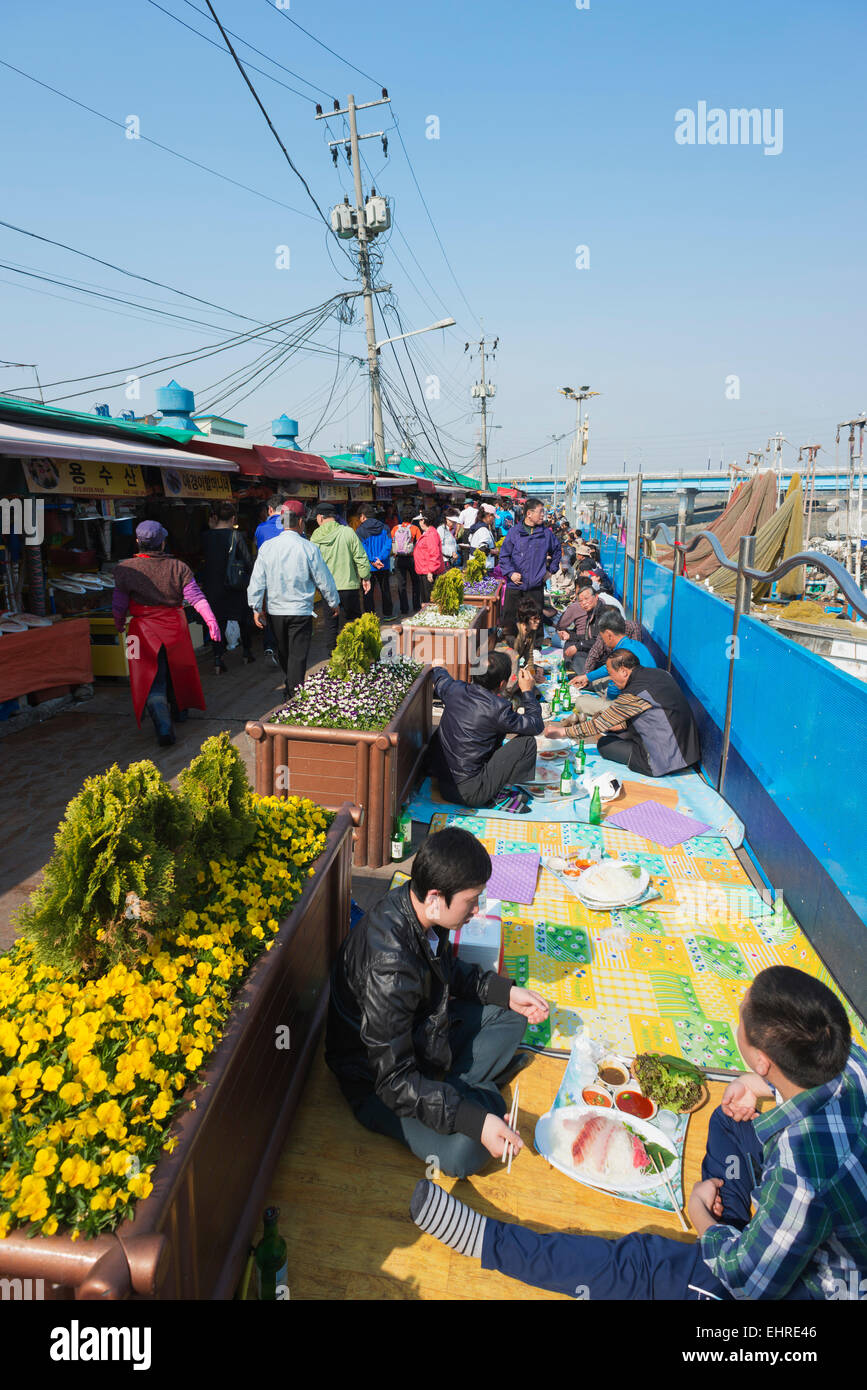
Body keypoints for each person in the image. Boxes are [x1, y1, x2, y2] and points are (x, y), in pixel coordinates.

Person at [410, 965, 867, 1302]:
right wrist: (762, 1085)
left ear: (764, 1056)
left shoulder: (802, 1173)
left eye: (743, 1014)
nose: (739, 1013)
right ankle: (739, 1229)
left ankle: (489, 1241)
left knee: (645, 1265)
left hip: (820, 1286)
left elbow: (750, 1285)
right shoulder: (850, 1061)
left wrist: (700, 1217)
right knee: (731, 1116)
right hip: (821, 1227)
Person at [325, 827, 550, 1179]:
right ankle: (470, 1100)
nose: (477, 911)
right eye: (471, 900)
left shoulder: (419, 908)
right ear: (435, 896)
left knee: (513, 1016)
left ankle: (465, 1096)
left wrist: (503, 992)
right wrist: (473, 1121)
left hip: (423, 1032)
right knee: (466, 1152)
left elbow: (448, 970)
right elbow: (394, 1081)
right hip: (377, 1083)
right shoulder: (389, 967)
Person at [112, 519, 221, 747]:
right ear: (162, 543)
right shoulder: (178, 567)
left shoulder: (124, 569)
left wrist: (119, 623)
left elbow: (119, 604)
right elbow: (196, 598)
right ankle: (179, 712)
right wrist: (211, 621)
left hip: (139, 631)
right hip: (174, 627)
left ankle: (162, 724)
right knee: (177, 670)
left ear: (138, 542)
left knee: (149, 678)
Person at [546, 648, 700, 776]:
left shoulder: (634, 693)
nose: (611, 680)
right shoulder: (660, 674)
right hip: (689, 752)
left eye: (611, 674)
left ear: (624, 672)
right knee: (615, 731)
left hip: (664, 760)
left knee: (605, 744)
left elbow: (597, 725)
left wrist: (561, 732)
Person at [247, 506, 340, 700]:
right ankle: (294, 693)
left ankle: (292, 690)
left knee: (284, 652)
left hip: (276, 611)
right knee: (297, 655)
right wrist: (333, 601)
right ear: (300, 522)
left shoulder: (267, 547)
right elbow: (323, 578)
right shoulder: (308, 547)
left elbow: (257, 580)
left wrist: (256, 607)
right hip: (300, 611)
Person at [430, 651, 543, 807]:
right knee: (527, 743)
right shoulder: (498, 708)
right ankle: (501, 796)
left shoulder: (454, 689)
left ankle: (495, 791)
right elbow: (536, 725)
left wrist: (439, 667)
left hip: (445, 784)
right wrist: (528, 692)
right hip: (471, 793)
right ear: (502, 683)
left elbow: (441, 678)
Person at [198, 500, 255, 674]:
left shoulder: (206, 537)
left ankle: (217, 659)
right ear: (233, 518)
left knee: (217, 623)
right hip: (235, 586)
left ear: (215, 517)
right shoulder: (236, 536)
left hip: (213, 587)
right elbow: (247, 562)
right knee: (244, 619)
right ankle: (246, 653)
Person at [570, 608, 656, 715]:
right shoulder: (635, 644)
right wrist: (587, 677)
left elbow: (613, 689)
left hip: (636, 705)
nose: (603, 641)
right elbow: (608, 668)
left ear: (609, 635)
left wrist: (607, 702)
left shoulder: (622, 652)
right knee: (597, 681)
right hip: (649, 695)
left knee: (581, 702)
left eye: (602, 637)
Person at [497, 496, 561, 637]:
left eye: (543, 512)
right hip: (515, 584)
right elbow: (504, 556)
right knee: (510, 617)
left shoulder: (546, 534)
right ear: (529, 514)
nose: (543, 515)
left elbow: (557, 551)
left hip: (535, 585)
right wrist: (510, 573)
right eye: (540, 512)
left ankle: (535, 648)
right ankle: (509, 644)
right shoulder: (514, 532)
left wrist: (551, 571)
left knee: (535, 618)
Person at [311, 503, 371, 651]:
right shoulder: (348, 532)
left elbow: (312, 564)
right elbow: (361, 557)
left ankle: (334, 656)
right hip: (349, 586)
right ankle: (356, 652)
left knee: (331, 625)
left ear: (320, 517)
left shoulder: (314, 537)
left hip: (327, 590)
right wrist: (365, 577)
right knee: (353, 622)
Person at [556, 581, 623, 664]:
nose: (584, 603)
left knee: (578, 656)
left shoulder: (603, 613)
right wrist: (570, 636)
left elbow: (599, 641)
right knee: (569, 643)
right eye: (580, 601)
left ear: (596, 597)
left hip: (606, 655)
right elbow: (589, 637)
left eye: (586, 599)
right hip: (597, 649)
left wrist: (578, 646)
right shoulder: (591, 612)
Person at [355, 505, 393, 619]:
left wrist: (372, 560)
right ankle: (388, 614)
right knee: (385, 589)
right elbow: (388, 545)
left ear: (362, 516)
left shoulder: (360, 530)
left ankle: (370, 617)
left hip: (368, 567)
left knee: (368, 591)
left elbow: (362, 549)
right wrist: (380, 558)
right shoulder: (385, 527)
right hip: (383, 565)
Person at [391, 510, 422, 615]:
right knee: (416, 583)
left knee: (401, 584)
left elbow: (392, 541)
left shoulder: (395, 528)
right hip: (412, 559)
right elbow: (419, 543)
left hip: (399, 559)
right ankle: (416, 606)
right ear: (412, 519)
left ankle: (404, 609)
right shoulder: (415, 528)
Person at [413, 509, 445, 605]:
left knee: (429, 601)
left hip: (429, 572)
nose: (419, 522)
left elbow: (434, 554)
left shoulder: (431, 535)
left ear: (424, 521)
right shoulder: (427, 533)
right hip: (425, 570)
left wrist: (430, 571)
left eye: (420, 520)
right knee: (426, 599)